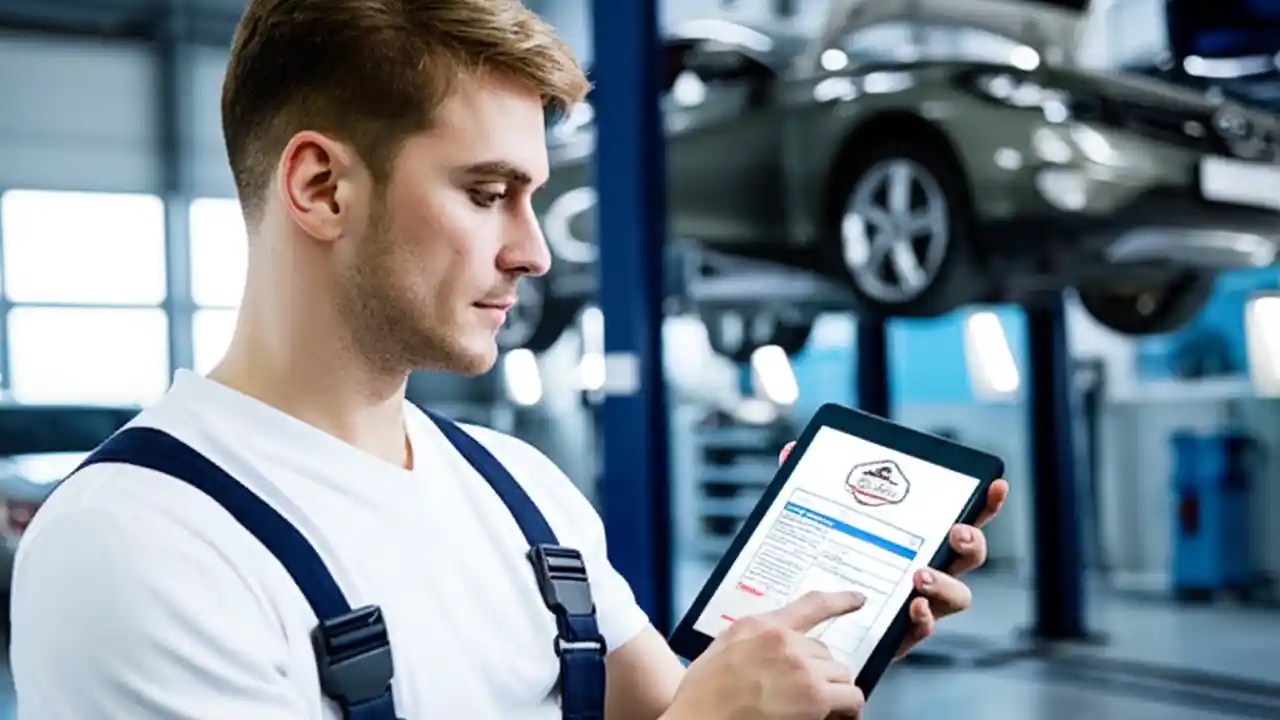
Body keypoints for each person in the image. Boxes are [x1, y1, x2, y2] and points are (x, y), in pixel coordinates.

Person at [9, 1, 1009, 718]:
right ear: (319, 187)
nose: (532, 250)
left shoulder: (520, 493)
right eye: (487, 192)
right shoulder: (139, 545)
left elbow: (666, 706)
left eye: (532, 196)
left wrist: (806, 649)